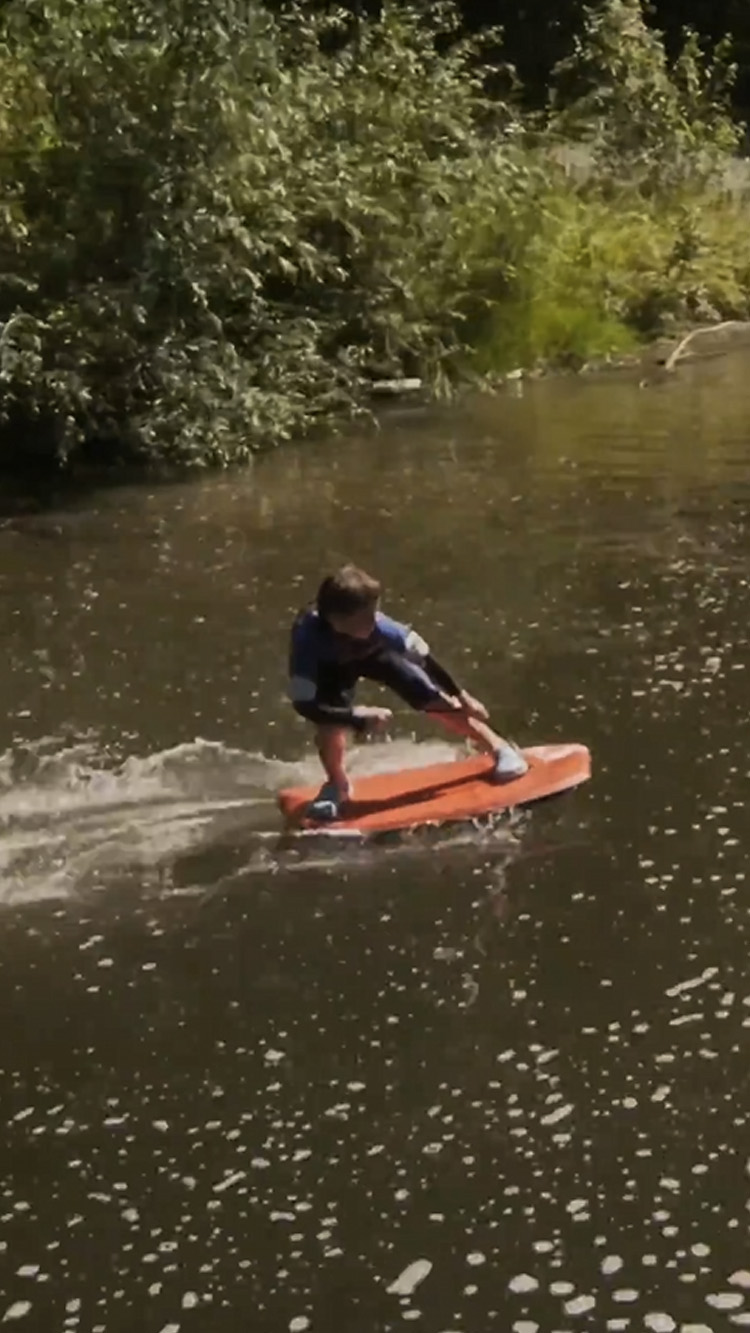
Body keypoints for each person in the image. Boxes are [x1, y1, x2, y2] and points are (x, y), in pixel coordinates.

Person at [287, 563, 528, 820]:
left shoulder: (382, 629)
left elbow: (426, 660)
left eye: (375, 612)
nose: (375, 621)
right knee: (328, 725)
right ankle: (337, 784)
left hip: (378, 655)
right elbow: (303, 704)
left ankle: (501, 748)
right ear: (337, 620)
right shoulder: (307, 641)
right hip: (331, 669)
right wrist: (356, 717)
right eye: (365, 618)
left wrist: (460, 694)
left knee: (434, 700)